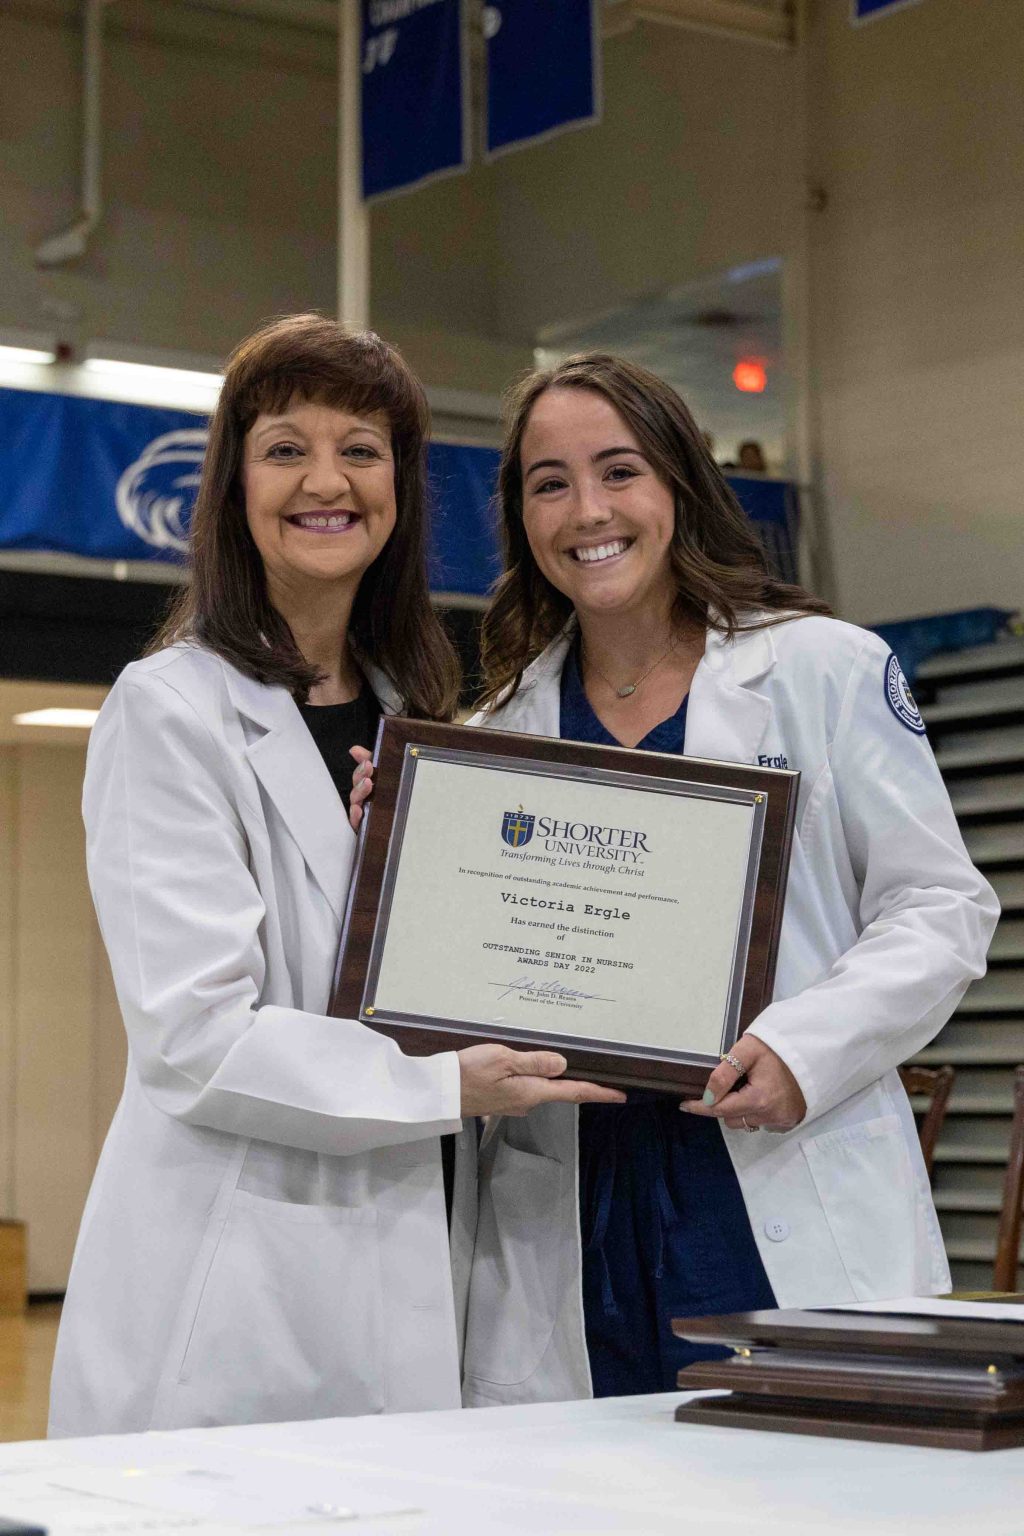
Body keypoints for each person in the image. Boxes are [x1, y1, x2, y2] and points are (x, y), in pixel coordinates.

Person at [353, 352, 998, 1406]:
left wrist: (803, 1049)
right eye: (549, 483)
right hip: (573, 1211)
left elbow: (941, 906)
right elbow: (447, 990)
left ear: (680, 484)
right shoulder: (494, 733)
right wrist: (399, 852)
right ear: (520, 518)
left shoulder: (821, 668)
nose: (587, 511)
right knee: (581, 1486)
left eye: (620, 471)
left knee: (805, 1479)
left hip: (769, 1178)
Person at [48, 316, 623, 1439]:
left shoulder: (421, 721)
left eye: (361, 449)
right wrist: (443, 1087)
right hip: (237, 1289)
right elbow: (195, 1037)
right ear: (234, 486)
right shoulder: (169, 711)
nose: (327, 482)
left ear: (400, 488)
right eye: (285, 450)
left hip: (416, 1249)